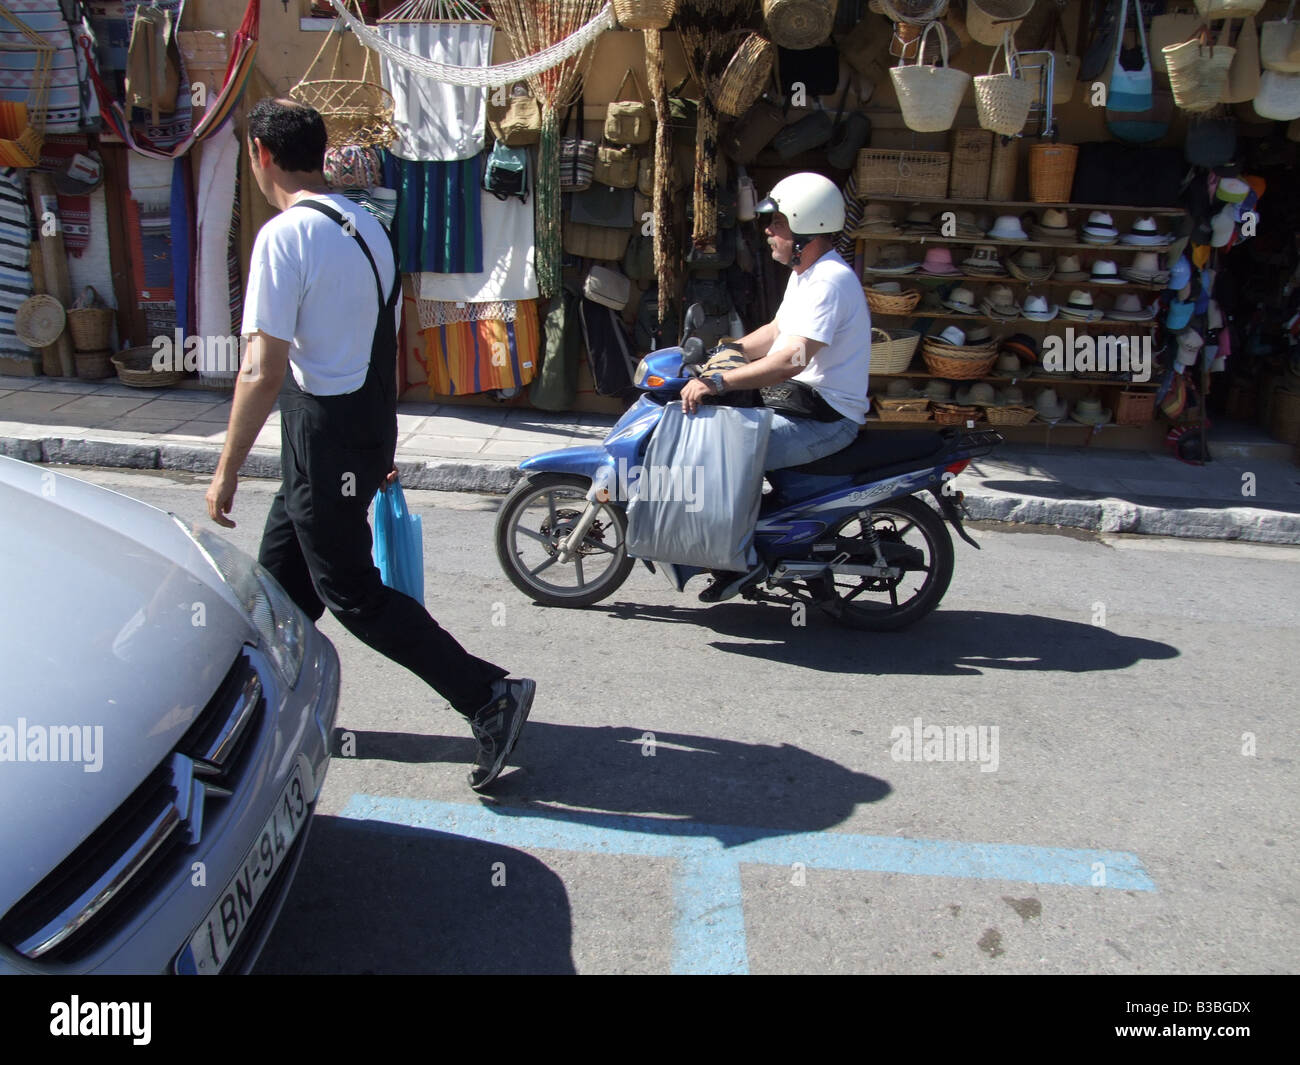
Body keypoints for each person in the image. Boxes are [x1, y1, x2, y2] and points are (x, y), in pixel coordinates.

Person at [205, 98, 533, 791]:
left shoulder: (283, 237)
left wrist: (225, 472)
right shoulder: (369, 227)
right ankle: (266, 717)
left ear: (261, 154)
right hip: (355, 425)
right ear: (318, 154)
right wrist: (378, 440)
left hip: (322, 435)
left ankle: (487, 695)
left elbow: (261, 370)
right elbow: (385, 342)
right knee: (279, 588)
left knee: (350, 592)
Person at [679, 172, 872, 603]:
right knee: (721, 437)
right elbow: (774, 331)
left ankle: (740, 561)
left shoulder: (829, 283)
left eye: (778, 223)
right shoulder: (807, 275)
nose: (768, 231)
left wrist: (718, 380)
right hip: (800, 409)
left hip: (825, 421)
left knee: (723, 454)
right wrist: (724, 353)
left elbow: (790, 360)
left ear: (807, 226)